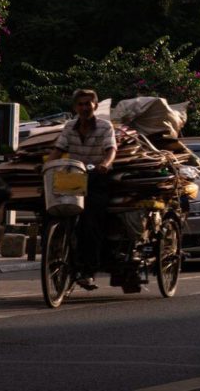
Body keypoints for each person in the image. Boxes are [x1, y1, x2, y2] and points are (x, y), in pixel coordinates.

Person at [49, 89, 116, 290]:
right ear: (75, 107)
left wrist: (105, 164)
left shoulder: (105, 126)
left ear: (95, 105)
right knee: (53, 211)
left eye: (88, 103)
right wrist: (47, 165)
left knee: (90, 220)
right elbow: (58, 150)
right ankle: (55, 251)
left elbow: (111, 149)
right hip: (73, 178)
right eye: (81, 104)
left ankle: (88, 270)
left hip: (97, 178)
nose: (85, 107)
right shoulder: (69, 127)